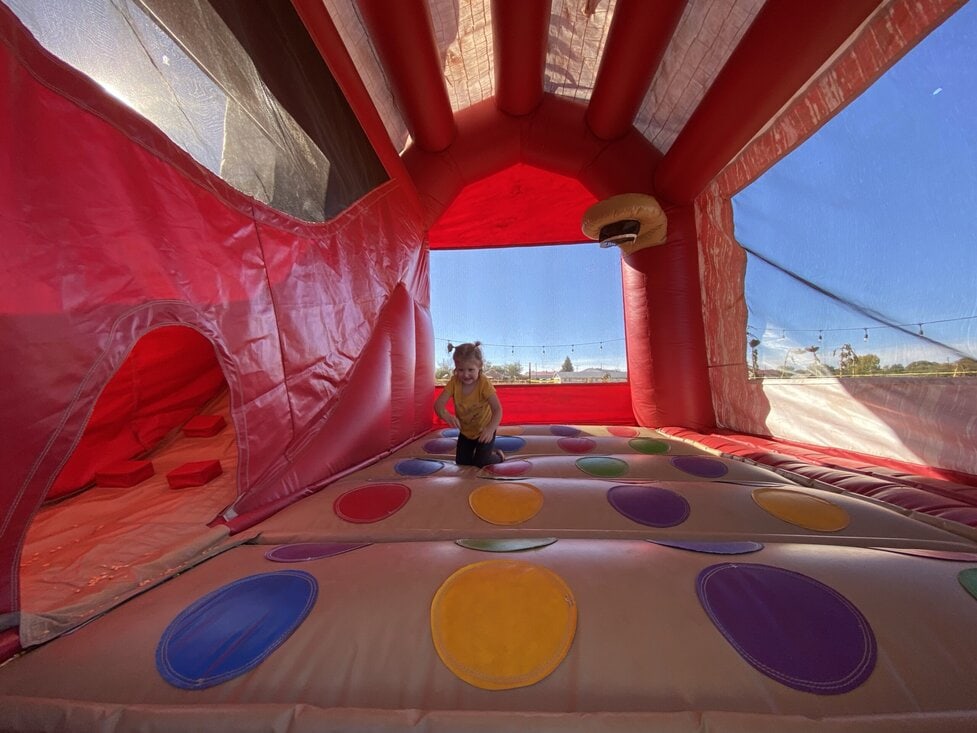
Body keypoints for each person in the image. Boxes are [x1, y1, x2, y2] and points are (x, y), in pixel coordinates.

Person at [434, 341, 505, 467]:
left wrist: (490, 429)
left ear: (480, 366)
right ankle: (480, 453)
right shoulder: (454, 382)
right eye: (460, 370)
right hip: (466, 431)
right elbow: (438, 405)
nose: (465, 374)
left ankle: (498, 456)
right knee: (462, 462)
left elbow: (497, 409)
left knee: (481, 463)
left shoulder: (483, 383)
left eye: (471, 370)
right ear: (456, 368)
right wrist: (447, 416)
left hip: (484, 430)